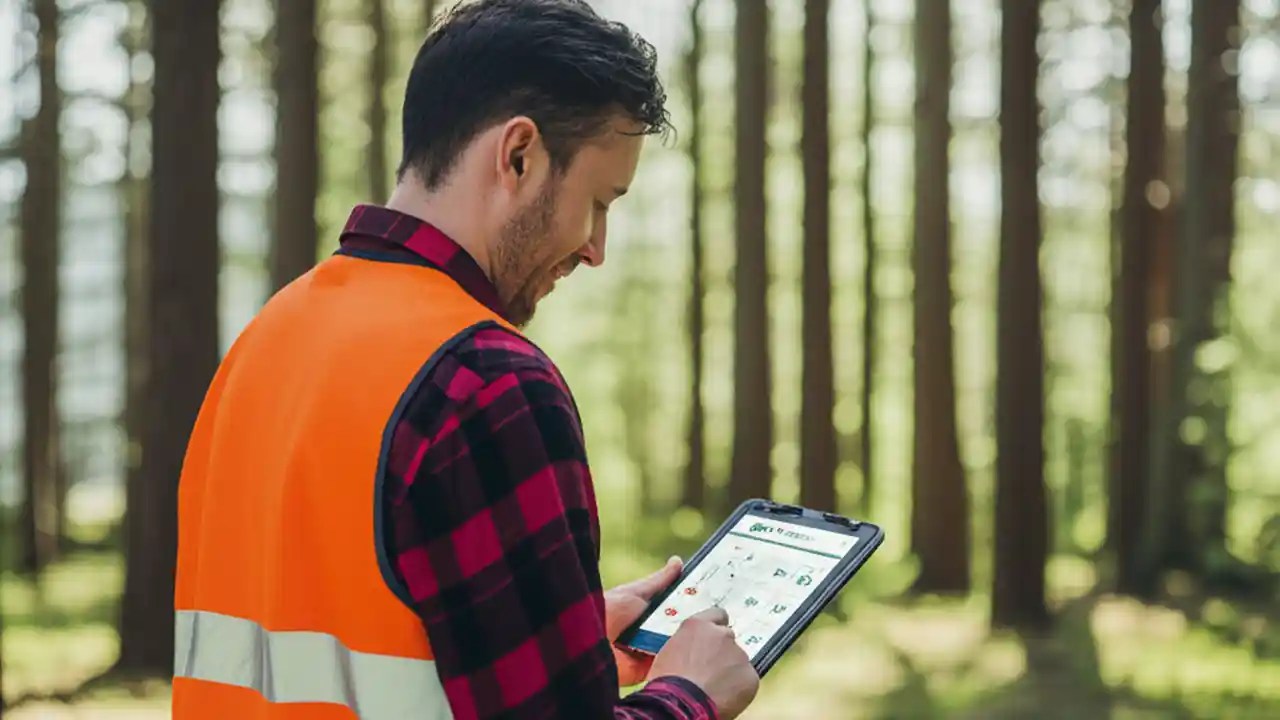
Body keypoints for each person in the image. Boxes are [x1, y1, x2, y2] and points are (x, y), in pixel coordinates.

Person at [171, 1, 760, 718]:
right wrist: (691, 698)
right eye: (599, 201)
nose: (596, 248)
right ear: (519, 154)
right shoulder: (486, 382)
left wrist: (561, 640)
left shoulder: (270, 338)